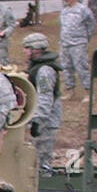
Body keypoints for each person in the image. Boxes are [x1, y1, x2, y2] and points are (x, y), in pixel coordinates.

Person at [23, 33, 61, 175]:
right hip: (41, 118)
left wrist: (38, 122)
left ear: (36, 49)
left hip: (46, 121)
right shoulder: (37, 67)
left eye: (27, 48)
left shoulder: (45, 71)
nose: (24, 51)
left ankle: (44, 183)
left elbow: (45, 97)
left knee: (41, 158)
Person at [58, 0, 95, 97]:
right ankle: (70, 91)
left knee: (81, 67)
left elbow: (91, 24)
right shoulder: (64, 11)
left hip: (78, 43)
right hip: (65, 43)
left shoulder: (83, 10)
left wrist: (85, 38)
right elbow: (62, 25)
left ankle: (88, 92)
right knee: (66, 67)